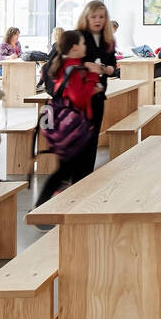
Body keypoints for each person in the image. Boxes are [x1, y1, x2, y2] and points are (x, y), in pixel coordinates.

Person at [34, 30, 104, 207]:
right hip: (72, 129)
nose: (85, 47)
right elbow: (78, 99)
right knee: (67, 171)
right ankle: (42, 207)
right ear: (74, 48)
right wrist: (93, 79)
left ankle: (61, 204)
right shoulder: (72, 68)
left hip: (68, 128)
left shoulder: (67, 65)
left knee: (67, 171)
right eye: (82, 43)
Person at [72, 0, 119, 179]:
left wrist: (108, 69)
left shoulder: (108, 40)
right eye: (94, 16)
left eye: (101, 16)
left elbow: (112, 65)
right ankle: (75, 181)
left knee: (92, 140)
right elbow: (66, 61)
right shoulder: (78, 36)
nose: (98, 20)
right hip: (79, 97)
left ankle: (85, 178)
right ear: (86, 17)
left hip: (98, 96)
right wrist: (87, 65)